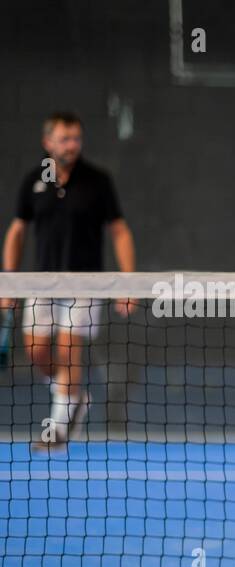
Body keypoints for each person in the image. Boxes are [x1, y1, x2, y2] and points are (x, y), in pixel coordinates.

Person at [1, 111, 136, 451]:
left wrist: (130, 284)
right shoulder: (35, 180)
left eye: (76, 138)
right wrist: (9, 283)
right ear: (48, 142)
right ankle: (73, 394)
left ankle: (58, 426)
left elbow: (119, 231)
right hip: (40, 284)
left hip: (84, 286)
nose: (72, 144)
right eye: (65, 138)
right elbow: (18, 230)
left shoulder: (98, 181)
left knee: (68, 349)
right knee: (37, 351)